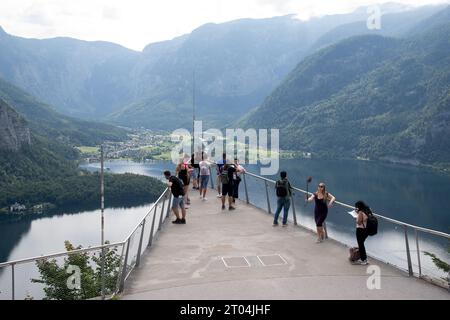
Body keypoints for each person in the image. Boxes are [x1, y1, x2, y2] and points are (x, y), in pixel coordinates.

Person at [354, 201, 370, 265]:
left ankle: (364, 260)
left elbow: (359, 222)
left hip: (360, 230)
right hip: (366, 230)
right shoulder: (368, 210)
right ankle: (364, 258)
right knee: (361, 244)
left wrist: (356, 217)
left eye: (357, 207)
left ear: (359, 207)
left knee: (361, 245)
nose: (356, 208)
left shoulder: (361, 212)